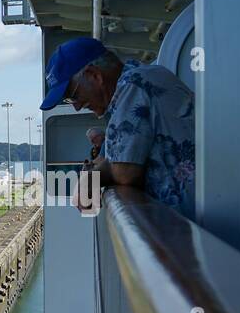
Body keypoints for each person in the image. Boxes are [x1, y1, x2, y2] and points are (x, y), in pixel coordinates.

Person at [40, 35, 195, 219]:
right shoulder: (145, 76)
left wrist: (90, 178)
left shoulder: (133, 87)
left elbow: (124, 172)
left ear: (95, 76)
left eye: (73, 95)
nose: (76, 106)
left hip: (202, 232)